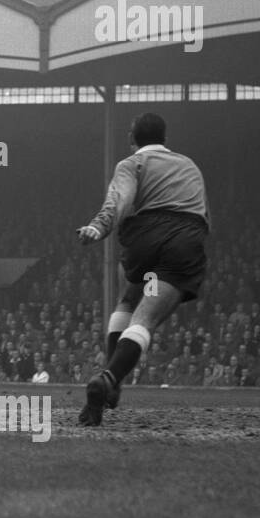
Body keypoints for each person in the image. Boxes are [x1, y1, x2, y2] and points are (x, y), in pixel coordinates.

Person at [76, 113, 209, 425]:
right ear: (164, 138)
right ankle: (108, 379)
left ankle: (112, 383)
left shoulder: (131, 164)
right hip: (184, 238)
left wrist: (99, 227)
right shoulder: (189, 165)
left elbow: (119, 200)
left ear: (131, 139)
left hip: (145, 239)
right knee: (145, 318)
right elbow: (201, 213)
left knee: (130, 299)